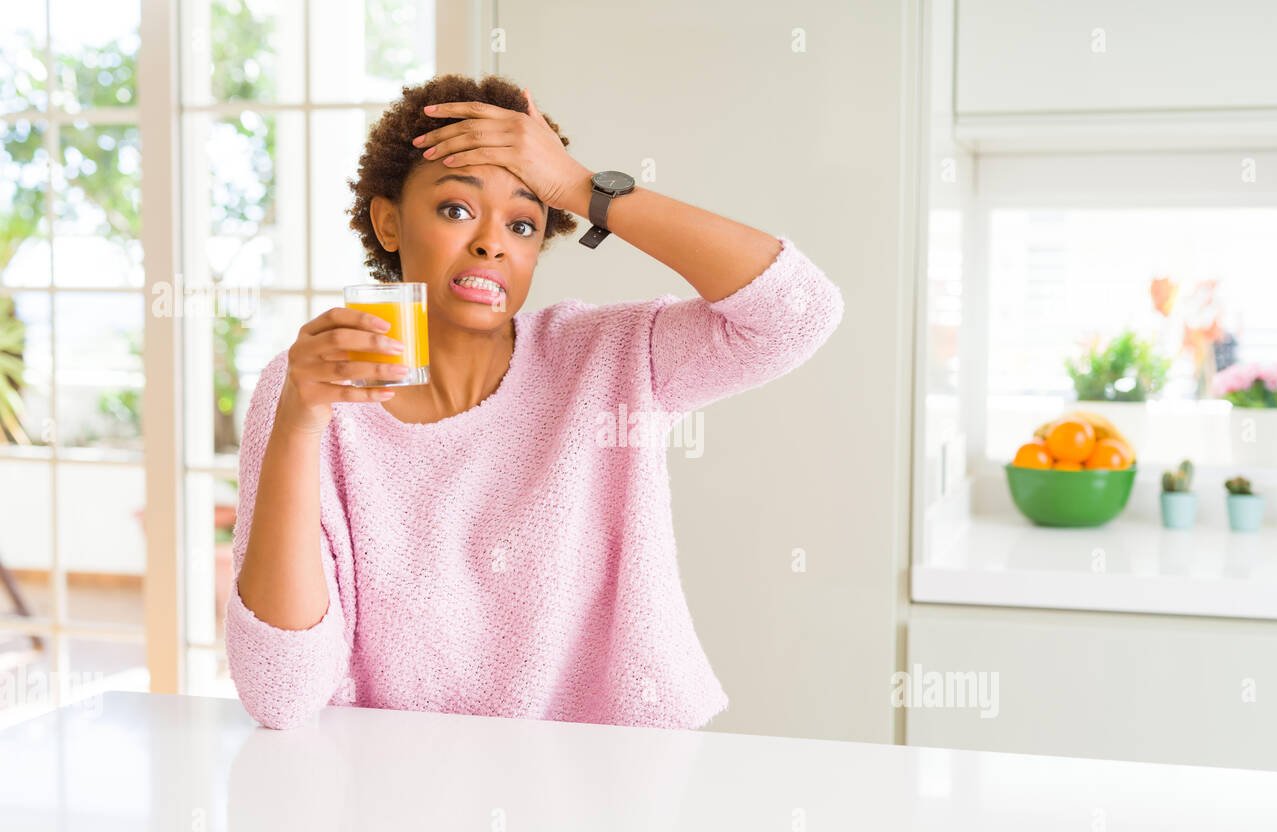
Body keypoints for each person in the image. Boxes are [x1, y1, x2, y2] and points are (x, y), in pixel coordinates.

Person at [225, 74, 845, 731]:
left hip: (609, 789)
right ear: (388, 221)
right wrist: (299, 421)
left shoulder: (607, 359)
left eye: (523, 222)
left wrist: (583, 188)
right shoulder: (308, 391)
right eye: (457, 209)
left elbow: (800, 312)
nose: (492, 241)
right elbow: (280, 693)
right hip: (394, 797)